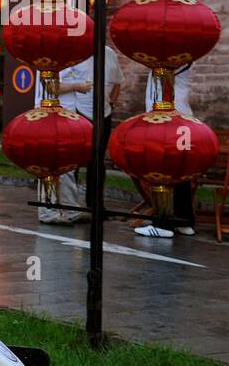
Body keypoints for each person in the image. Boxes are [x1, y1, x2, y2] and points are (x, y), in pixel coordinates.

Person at [39, 46, 123, 226]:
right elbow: (51, 86)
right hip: (57, 115)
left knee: (69, 165)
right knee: (55, 163)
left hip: (74, 115)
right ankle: (49, 211)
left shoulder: (103, 54)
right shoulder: (57, 55)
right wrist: (77, 86)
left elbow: (117, 83)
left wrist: (109, 103)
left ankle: (71, 209)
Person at [134, 66, 196, 238]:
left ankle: (162, 224)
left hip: (169, 121)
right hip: (179, 122)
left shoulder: (170, 59)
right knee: (180, 173)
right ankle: (183, 221)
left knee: (163, 170)